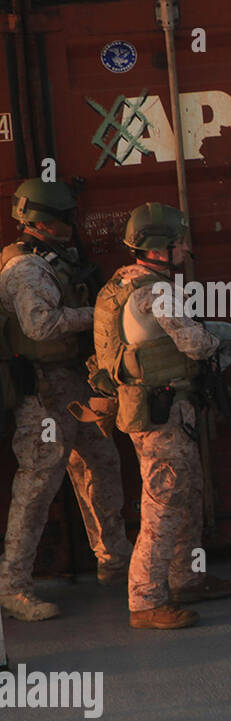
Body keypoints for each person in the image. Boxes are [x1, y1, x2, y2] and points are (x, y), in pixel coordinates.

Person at [92, 202, 231, 628]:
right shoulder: (158, 292)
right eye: (180, 240)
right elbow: (195, 346)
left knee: (185, 493)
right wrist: (227, 339)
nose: (187, 246)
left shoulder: (120, 284)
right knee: (163, 502)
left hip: (157, 409)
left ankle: (185, 577)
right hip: (161, 413)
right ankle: (145, 600)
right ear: (160, 248)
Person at [0, 178, 132, 621]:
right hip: (42, 393)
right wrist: (102, 314)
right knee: (37, 486)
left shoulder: (51, 261)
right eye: (63, 220)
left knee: (101, 463)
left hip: (72, 384)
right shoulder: (26, 270)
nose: (70, 227)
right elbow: (40, 326)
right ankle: (13, 586)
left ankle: (114, 560)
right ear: (41, 222)